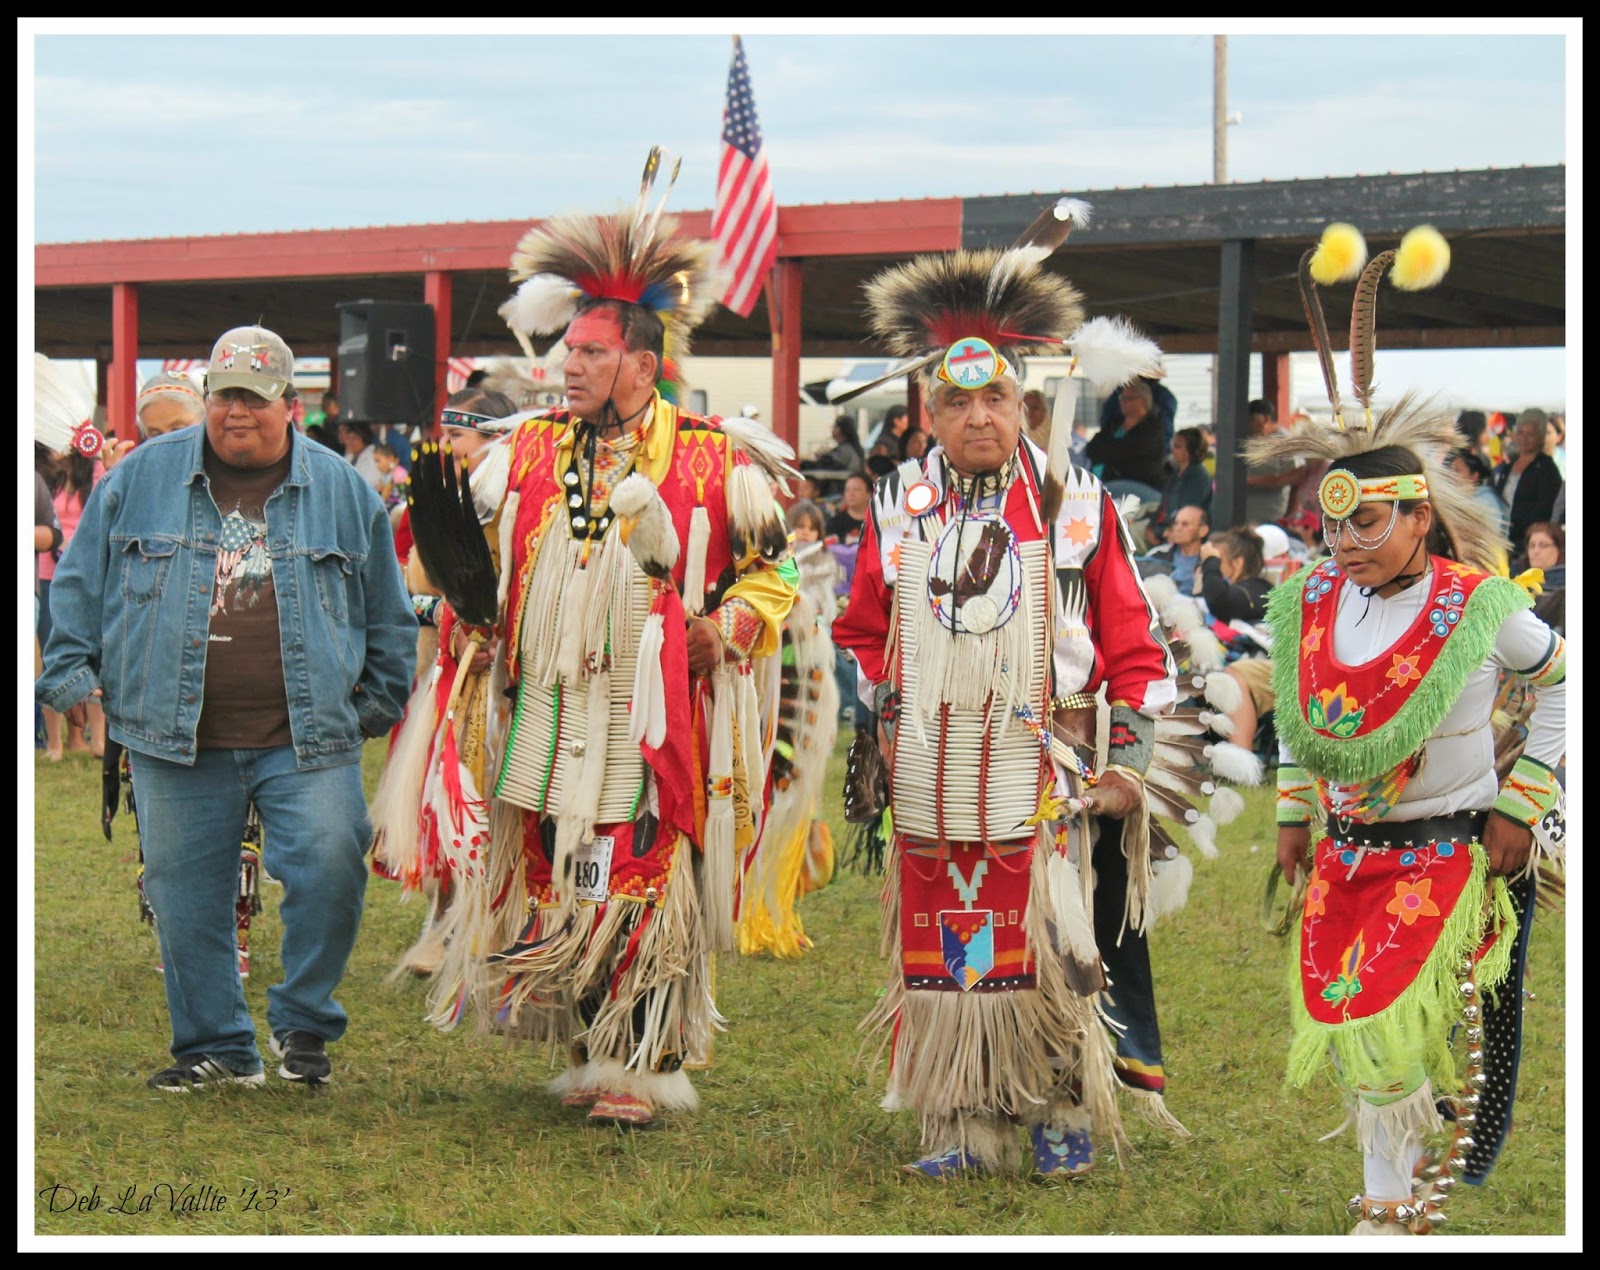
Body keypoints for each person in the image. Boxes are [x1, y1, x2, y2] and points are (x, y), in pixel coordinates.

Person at [418, 160, 797, 1128]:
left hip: (646, 710)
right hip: (546, 703)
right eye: (564, 351)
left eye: (587, 352)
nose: (567, 367)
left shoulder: (714, 460)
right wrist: (470, 608)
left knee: (638, 871)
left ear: (640, 359)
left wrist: (728, 628)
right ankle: (586, 1045)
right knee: (557, 867)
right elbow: (478, 573)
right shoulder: (530, 450)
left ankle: (643, 1059)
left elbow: (774, 575)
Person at [833, 209, 1180, 1179]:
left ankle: (1060, 1100)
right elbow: (861, 627)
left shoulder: (1075, 504)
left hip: (1049, 763)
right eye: (956, 402)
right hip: (935, 762)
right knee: (945, 937)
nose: (977, 418)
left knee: (1052, 934)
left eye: (996, 402)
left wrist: (1128, 757)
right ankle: (959, 1112)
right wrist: (893, 704)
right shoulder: (902, 509)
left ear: (1024, 407)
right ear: (930, 413)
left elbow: (1129, 638)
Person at [1254, 221, 1565, 1236]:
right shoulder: (1306, 602)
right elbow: (1304, 722)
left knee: (1394, 1032)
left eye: (1368, 523)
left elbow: (1562, 682)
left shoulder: (1477, 606)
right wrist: (1296, 815)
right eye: (1333, 525)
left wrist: (1526, 799)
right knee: (1360, 1032)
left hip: (1447, 850)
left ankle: (1390, 1210)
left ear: (1418, 515)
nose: (1345, 543)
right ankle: (1391, 1189)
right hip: (1349, 854)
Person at [36, 324, 416, 1092]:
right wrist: (70, 676)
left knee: (332, 864)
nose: (235, 412)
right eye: (223, 396)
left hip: (306, 737)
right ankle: (215, 1045)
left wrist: (375, 703)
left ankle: (303, 1022)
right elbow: (79, 581)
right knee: (182, 894)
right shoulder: (138, 478)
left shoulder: (342, 490)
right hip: (174, 736)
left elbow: (388, 611)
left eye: (254, 397)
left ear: (292, 406)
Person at [1083, 377, 1168, 503]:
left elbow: (1130, 451)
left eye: (1129, 399)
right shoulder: (1114, 424)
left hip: (1139, 485)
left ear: (1143, 401)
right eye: (1121, 398)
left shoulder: (1153, 427)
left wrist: (1108, 450)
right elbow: (1091, 449)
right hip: (1106, 482)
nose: (1123, 402)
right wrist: (1112, 450)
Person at [1493, 409, 1563, 554]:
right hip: (1501, 539)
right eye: (1520, 432)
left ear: (1541, 437)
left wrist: (1522, 532)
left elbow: (1545, 508)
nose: (1524, 438)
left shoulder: (1546, 469)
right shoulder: (1508, 467)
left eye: (1530, 434)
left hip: (1526, 543)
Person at [1144, 427, 1213, 548]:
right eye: (1173, 445)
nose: (1173, 449)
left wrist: (1161, 531)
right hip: (1161, 530)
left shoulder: (1198, 477)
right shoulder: (1176, 474)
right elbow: (1163, 506)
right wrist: (1151, 527)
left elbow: (1187, 511)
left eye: (1178, 446)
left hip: (1178, 535)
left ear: (1192, 450)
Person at [1243, 399, 1308, 526]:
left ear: (1264, 420)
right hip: (1246, 514)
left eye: (1251, 419)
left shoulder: (1285, 442)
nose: (1247, 424)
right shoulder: (1247, 439)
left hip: (1272, 515)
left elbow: (1296, 478)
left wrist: (1290, 516)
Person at [1140, 503, 1209, 591]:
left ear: (1203, 531)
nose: (1178, 528)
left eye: (1185, 524)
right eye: (1176, 523)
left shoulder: (1210, 561)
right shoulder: (1157, 554)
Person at [1447, 447, 1510, 541]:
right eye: (1451, 471)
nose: (1451, 475)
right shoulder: (1456, 500)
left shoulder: (1487, 500)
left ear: (1474, 476)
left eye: (1457, 471)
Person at [825, 471, 872, 546]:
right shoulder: (834, 523)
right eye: (847, 490)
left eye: (856, 490)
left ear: (869, 494)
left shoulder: (878, 522)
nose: (851, 494)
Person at [339, 419, 385, 491]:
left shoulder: (372, 455)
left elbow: (370, 482)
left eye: (355, 438)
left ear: (364, 438)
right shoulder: (348, 456)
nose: (350, 442)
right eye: (348, 438)